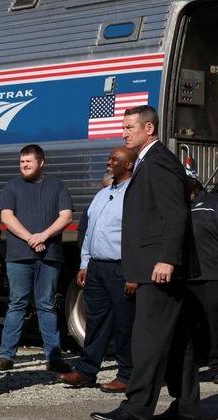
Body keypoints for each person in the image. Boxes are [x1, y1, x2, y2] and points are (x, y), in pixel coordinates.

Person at [92, 105, 200, 420]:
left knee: (147, 342)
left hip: (159, 270)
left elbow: (175, 213)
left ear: (148, 129)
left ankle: (136, 410)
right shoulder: (146, 162)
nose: (123, 133)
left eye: (129, 127)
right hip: (150, 267)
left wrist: (167, 258)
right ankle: (189, 409)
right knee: (178, 341)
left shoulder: (159, 162)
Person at [59, 147, 137, 393]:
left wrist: (134, 271)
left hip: (121, 267)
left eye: (115, 159)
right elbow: (90, 232)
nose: (109, 162)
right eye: (109, 158)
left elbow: (137, 237)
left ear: (129, 165)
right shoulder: (102, 195)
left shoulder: (135, 195)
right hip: (97, 267)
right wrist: (85, 263)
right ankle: (86, 371)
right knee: (96, 321)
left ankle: (127, 375)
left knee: (125, 323)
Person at [0, 144, 73, 373]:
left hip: (50, 255)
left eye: (29, 161)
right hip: (18, 256)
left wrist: (44, 235)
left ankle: (53, 357)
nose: (24, 165)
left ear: (41, 162)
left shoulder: (57, 186)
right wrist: (30, 238)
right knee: (17, 303)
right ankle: (6, 356)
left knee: (46, 305)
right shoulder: (12, 186)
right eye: (21, 162)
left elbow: (66, 216)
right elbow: (6, 216)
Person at [185, 163, 218, 383]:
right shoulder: (178, 206)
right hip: (186, 276)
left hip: (211, 274)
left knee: (213, 323)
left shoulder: (212, 204)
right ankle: (195, 363)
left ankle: (216, 365)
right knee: (191, 323)